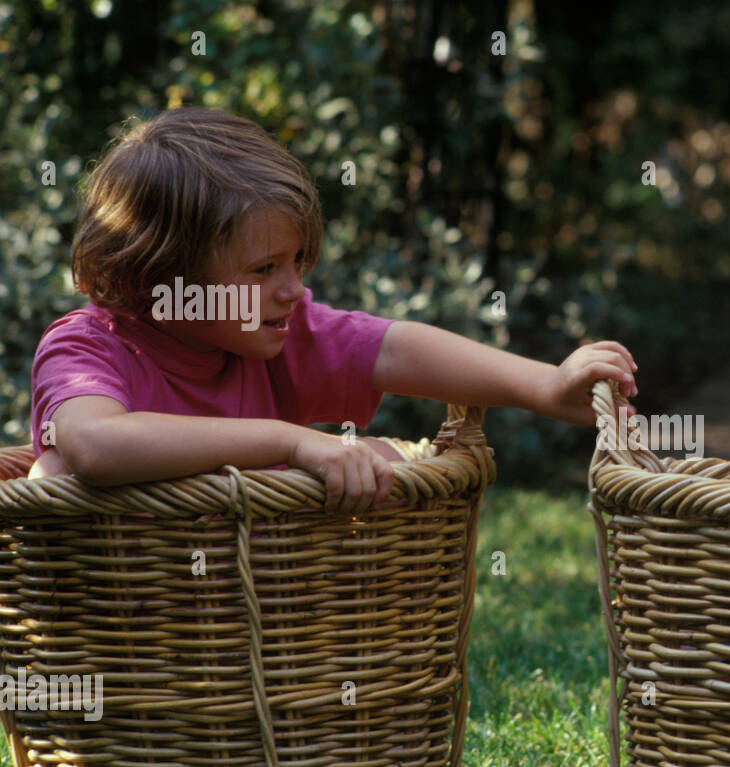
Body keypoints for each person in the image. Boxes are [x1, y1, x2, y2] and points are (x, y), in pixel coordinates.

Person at [28, 106, 637, 514]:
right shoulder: (87, 347)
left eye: (298, 262)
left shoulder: (274, 330)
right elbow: (95, 444)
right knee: (52, 475)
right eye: (264, 270)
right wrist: (289, 442)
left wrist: (547, 385)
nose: (294, 289)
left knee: (381, 460)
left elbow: (394, 347)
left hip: (259, 623)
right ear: (158, 274)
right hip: (137, 633)